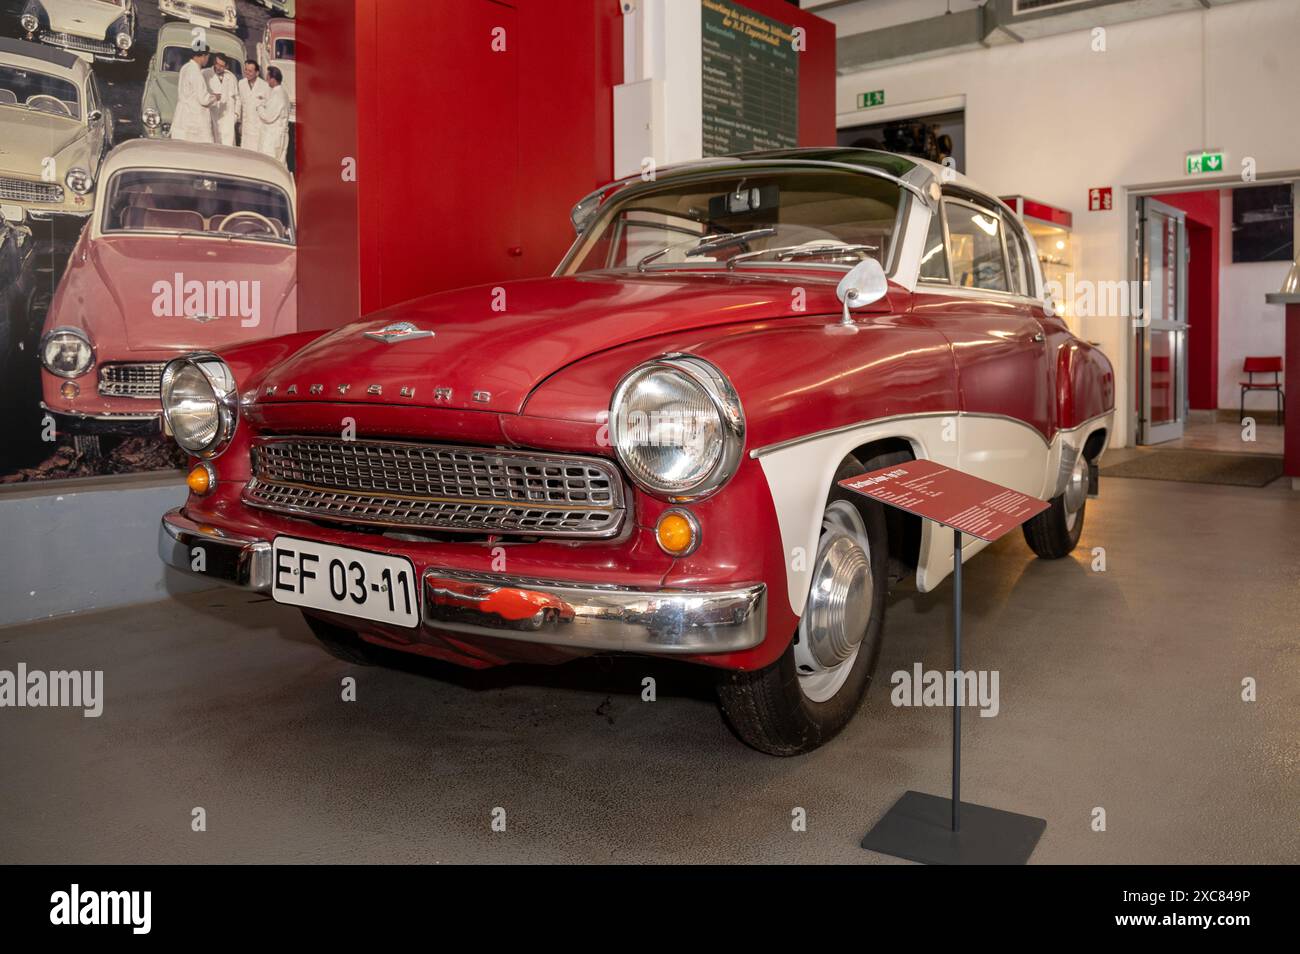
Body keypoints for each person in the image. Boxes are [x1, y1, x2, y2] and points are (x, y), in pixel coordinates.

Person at [171, 46, 217, 143]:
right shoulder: (196, 72)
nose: (207, 60)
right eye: (208, 57)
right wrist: (215, 97)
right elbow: (204, 99)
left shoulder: (185, 67)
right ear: (203, 56)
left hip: (182, 115)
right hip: (194, 118)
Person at [256, 65, 290, 165]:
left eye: (268, 77)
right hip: (276, 136)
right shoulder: (281, 92)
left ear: (273, 79)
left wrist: (259, 106)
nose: (266, 80)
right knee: (278, 164)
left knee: (269, 164)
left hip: (272, 138)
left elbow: (268, 117)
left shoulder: (278, 95)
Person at [206, 53, 239, 146]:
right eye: (217, 64)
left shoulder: (231, 77)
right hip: (211, 118)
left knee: (227, 149)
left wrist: (236, 115)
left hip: (227, 121)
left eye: (222, 66)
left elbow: (237, 98)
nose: (219, 67)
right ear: (214, 62)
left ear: (226, 66)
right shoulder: (205, 74)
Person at [237, 61, 270, 153]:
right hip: (246, 126)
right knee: (245, 153)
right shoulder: (241, 83)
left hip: (258, 127)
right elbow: (240, 102)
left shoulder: (265, 86)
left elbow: (268, 108)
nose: (247, 73)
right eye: (246, 70)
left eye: (250, 71)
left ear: (257, 73)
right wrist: (240, 122)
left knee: (257, 153)